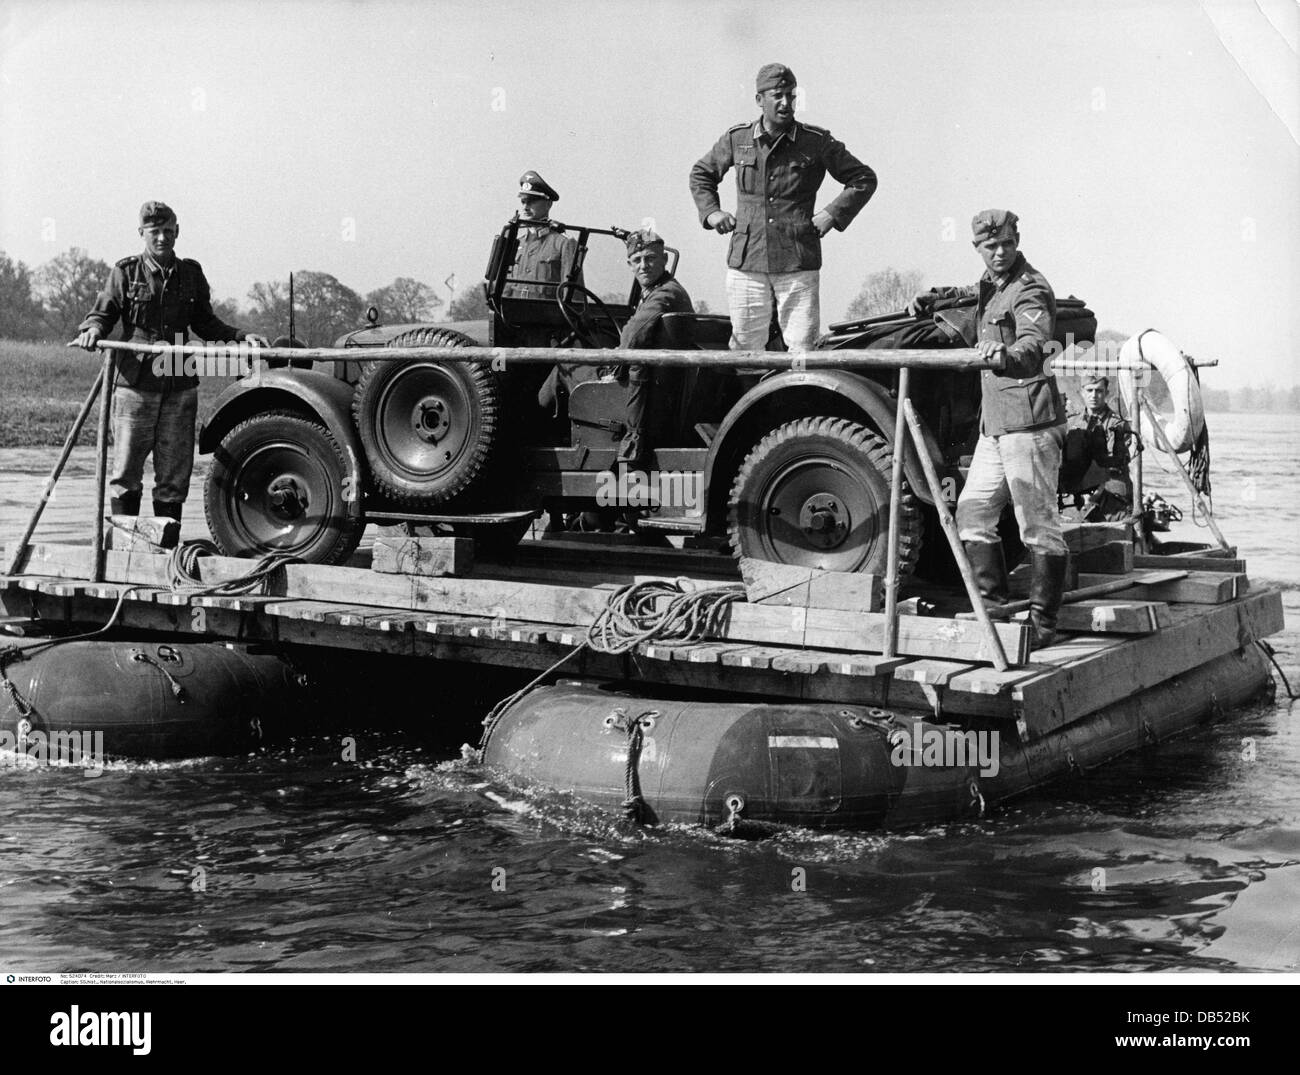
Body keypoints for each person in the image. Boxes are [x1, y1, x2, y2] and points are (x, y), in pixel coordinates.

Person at [909, 209, 1069, 649]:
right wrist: (934, 298)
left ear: (1017, 241)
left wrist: (1005, 353)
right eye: (989, 247)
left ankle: (1042, 627)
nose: (999, 253)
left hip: (1030, 424)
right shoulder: (990, 283)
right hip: (995, 426)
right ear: (979, 249)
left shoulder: (1030, 287)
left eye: (1006, 245)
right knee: (973, 513)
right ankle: (994, 614)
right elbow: (968, 292)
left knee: (1037, 526)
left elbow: (1035, 342)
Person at [75, 201, 267, 523]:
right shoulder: (125, 272)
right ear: (142, 234)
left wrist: (240, 335)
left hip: (179, 385)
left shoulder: (191, 274)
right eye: (154, 232)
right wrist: (92, 330)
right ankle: (127, 552)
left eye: (167, 231)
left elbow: (207, 324)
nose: (162, 238)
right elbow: (102, 315)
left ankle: (167, 555)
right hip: (134, 387)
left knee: (174, 477)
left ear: (177, 232)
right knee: (125, 474)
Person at [689, 62, 876, 354]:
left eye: (791, 95)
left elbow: (863, 178)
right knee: (744, 348)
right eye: (777, 96)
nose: (786, 103)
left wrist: (832, 214)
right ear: (759, 100)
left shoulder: (816, 142)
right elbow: (701, 174)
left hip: (797, 262)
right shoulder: (737, 139)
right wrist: (712, 212)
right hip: (747, 262)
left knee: (802, 350)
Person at [615, 228, 694, 464]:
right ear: (629, 264)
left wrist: (612, 364)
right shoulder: (657, 291)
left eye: (650, 258)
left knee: (564, 366)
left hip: (651, 390)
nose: (643, 266)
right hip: (655, 384)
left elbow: (633, 336)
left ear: (664, 260)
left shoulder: (665, 293)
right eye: (636, 260)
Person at [1061, 374, 1133, 520]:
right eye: (1089, 391)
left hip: (1111, 486)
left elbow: (1112, 462)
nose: (1094, 395)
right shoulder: (1071, 422)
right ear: (1082, 393)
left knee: (1119, 522)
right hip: (1078, 486)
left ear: (1106, 393)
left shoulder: (1118, 424)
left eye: (1099, 391)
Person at [504, 170, 580, 301]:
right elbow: (505, 289)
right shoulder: (517, 243)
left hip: (548, 318)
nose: (526, 207)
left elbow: (573, 295)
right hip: (513, 316)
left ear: (548, 204)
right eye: (523, 202)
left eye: (531, 201)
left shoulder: (563, 243)